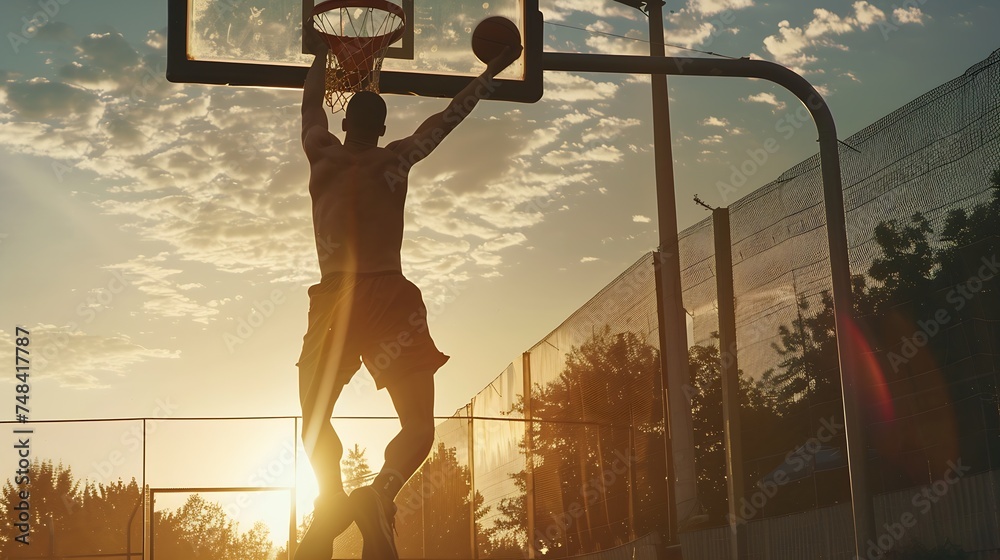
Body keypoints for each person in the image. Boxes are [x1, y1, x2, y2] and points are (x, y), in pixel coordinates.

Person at [295, 26, 521, 560]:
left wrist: (322, 56)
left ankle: (331, 500)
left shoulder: (321, 153)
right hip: (389, 295)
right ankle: (380, 493)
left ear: (344, 123)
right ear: (382, 129)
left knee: (314, 421)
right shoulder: (396, 158)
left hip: (335, 300)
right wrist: (491, 71)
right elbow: (449, 116)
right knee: (418, 427)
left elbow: (309, 107)